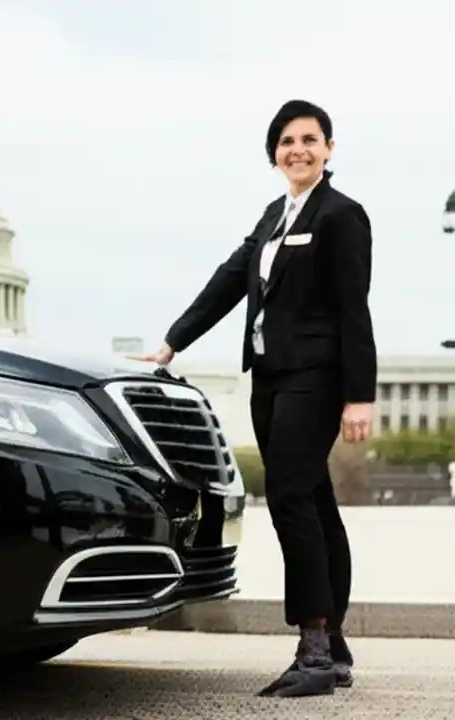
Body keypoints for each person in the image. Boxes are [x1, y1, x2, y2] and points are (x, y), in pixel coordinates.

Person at [134, 99, 375, 697]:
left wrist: (359, 396)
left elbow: (353, 308)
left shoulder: (343, 215)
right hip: (268, 380)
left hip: (315, 378)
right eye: (287, 140)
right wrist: (171, 343)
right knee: (314, 502)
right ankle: (337, 647)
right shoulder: (275, 215)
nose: (299, 149)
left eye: (310, 139)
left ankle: (313, 647)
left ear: (329, 148)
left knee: (290, 496)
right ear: (274, 153)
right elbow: (228, 279)